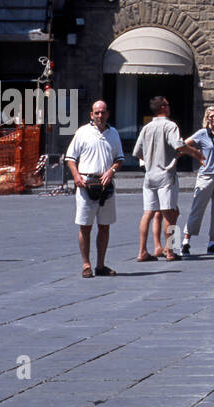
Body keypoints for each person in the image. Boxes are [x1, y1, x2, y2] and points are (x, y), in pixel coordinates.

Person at [134, 96, 199, 261]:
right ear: (163, 107)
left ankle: (142, 251)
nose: (170, 107)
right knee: (171, 213)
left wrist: (150, 159)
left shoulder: (146, 127)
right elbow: (178, 145)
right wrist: (195, 153)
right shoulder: (170, 125)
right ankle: (170, 251)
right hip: (166, 175)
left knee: (148, 213)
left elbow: (137, 152)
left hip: (149, 176)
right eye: (168, 104)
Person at [65, 101, 123, 278]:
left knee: (104, 226)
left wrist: (111, 171)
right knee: (85, 226)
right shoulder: (82, 132)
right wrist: (76, 176)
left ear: (108, 114)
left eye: (103, 112)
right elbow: (70, 157)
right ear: (91, 114)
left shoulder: (113, 133)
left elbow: (119, 158)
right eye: (97, 113)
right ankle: (86, 264)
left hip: (106, 185)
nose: (100, 116)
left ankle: (100, 265)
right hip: (86, 183)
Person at [181, 107, 214, 256]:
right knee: (197, 210)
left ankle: (212, 244)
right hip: (206, 176)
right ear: (207, 118)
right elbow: (184, 144)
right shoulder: (202, 134)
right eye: (212, 116)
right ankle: (186, 242)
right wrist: (197, 155)